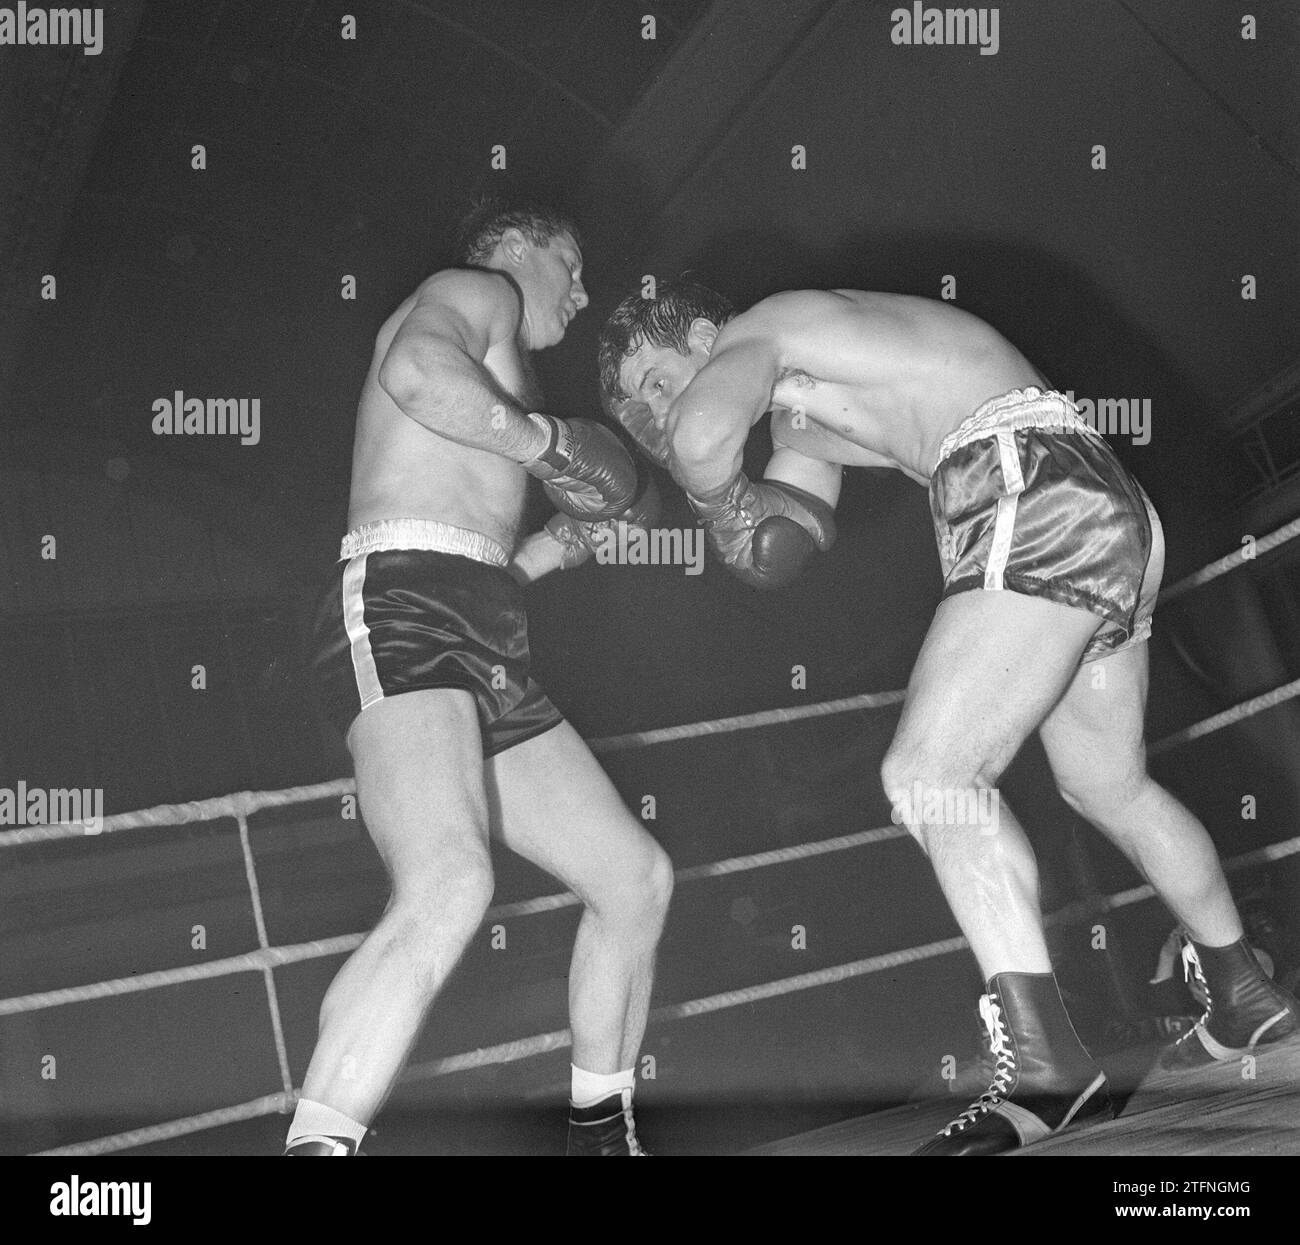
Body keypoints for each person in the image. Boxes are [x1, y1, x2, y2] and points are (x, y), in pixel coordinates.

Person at [596, 278, 1299, 1156]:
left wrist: (700, 489)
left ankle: (1048, 1068)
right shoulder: (801, 413)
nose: (654, 410)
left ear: (703, 333)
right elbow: (780, 544)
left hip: (1023, 487)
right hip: (1091, 505)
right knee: (1106, 782)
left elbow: (704, 435)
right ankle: (1243, 993)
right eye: (636, 409)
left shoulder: (763, 327)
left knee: (930, 776)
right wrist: (731, 519)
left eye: (656, 380)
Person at [296, 201, 672, 1156]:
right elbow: (415, 375)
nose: (583, 295)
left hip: (480, 622)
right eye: (572, 265)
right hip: (404, 602)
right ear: (517, 248)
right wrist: (549, 448)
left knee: (632, 877)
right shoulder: (472, 293)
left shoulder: (505, 369)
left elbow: (489, 552)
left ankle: (600, 1133)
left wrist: (567, 540)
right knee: (449, 882)